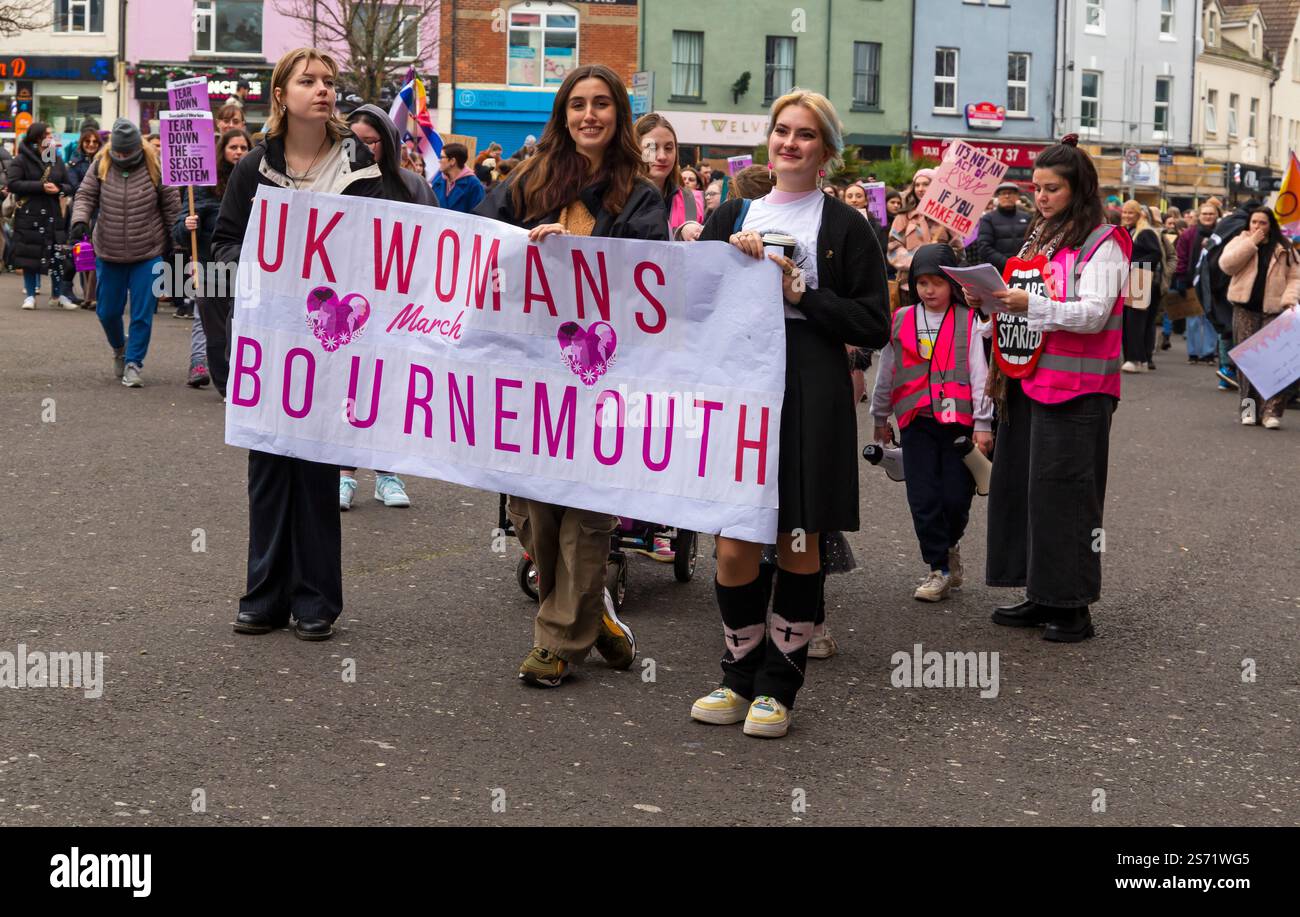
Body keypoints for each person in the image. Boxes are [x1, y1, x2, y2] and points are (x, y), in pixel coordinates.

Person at [689, 90, 889, 738]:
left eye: (805, 134)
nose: (790, 143)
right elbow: (689, 306)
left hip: (809, 381)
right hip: (741, 383)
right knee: (733, 542)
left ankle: (779, 687)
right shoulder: (730, 214)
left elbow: (873, 323)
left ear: (824, 150)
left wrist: (802, 291)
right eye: (782, 130)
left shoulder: (846, 227)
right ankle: (736, 675)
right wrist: (729, 268)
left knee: (798, 536)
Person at [475, 64, 667, 687]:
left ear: (619, 115)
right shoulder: (527, 179)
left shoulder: (638, 194)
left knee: (587, 510)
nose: (590, 114)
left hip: (603, 374)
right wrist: (525, 243)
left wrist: (579, 261)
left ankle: (558, 641)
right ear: (563, 113)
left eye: (602, 104)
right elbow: (477, 240)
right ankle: (595, 616)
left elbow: (648, 278)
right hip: (530, 372)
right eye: (578, 103)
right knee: (536, 511)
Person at [212, 47, 387, 642]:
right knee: (267, 468)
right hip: (271, 340)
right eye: (308, 80)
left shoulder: (360, 167)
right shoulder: (253, 168)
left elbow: (382, 251)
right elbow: (224, 246)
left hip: (331, 344)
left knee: (314, 468)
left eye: (329, 81)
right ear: (281, 93)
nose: (322, 90)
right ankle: (263, 596)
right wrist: (260, 264)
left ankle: (316, 600)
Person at [967, 134, 1131, 643]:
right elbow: (1026, 303)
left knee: (1067, 496)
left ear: (1078, 190)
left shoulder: (1105, 242)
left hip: (1078, 388)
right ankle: (1041, 593)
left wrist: (1027, 307)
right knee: (1025, 491)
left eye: (1052, 188)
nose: (1040, 197)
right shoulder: (1039, 238)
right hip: (1026, 381)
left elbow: (1094, 313)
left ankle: (1073, 605)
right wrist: (991, 310)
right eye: (1036, 187)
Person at [870, 243, 993, 601]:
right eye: (921, 282)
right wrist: (880, 418)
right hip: (915, 422)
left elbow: (978, 371)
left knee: (956, 498)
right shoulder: (901, 319)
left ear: (952, 283)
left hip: (959, 424)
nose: (929, 290)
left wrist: (983, 424)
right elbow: (887, 374)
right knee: (923, 497)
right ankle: (937, 567)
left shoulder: (969, 320)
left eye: (937, 282)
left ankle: (950, 543)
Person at [337, 103, 440, 509]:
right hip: (346, 308)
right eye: (352, 142)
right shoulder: (331, 184)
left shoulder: (412, 187)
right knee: (348, 389)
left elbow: (436, 242)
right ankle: (344, 473)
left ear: (387, 144)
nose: (360, 149)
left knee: (389, 388)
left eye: (369, 142)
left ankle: (387, 473)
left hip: (396, 307)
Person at [70, 120, 180, 384]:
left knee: (141, 313)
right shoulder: (102, 163)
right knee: (107, 311)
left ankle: (134, 363)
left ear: (136, 148)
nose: (120, 157)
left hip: (148, 251)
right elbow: (85, 195)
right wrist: (80, 220)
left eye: (125, 153)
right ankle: (119, 348)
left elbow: (172, 205)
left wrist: (178, 243)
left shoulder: (156, 165)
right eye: (117, 152)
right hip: (109, 250)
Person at [1218, 206, 1300, 429]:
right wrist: (1251, 242)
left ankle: (1271, 411)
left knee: (1275, 364)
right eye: (1254, 222)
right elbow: (1227, 265)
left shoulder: (1284, 247)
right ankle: (1248, 410)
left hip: (1275, 311)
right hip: (1245, 309)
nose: (1258, 227)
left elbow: (1295, 277)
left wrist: (1290, 298)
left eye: (1262, 223)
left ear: (1270, 225)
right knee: (1248, 363)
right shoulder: (1240, 241)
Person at [187, 128, 251, 399]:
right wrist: (186, 225)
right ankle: (225, 386)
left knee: (241, 326)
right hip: (211, 267)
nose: (238, 152)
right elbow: (181, 224)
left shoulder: (256, 181)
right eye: (233, 147)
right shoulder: (205, 186)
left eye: (243, 147)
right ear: (222, 150)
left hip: (247, 267)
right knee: (215, 332)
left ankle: (243, 381)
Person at [10, 122, 75, 310]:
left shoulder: (55, 158)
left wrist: (59, 188)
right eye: (47, 134)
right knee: (29, 256)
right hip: (30, 215)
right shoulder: (21, 159)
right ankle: (30, 295)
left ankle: (57, 295)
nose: (51, 136)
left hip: (53, 213)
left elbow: (70, 185)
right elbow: (13, 184)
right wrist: (40, 187)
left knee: (57, 255)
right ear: (37, 137)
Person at [1200, 198, 1260, 391]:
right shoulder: (1242, 228)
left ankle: (1227, 372)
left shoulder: (1227, 222)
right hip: (1230, 284)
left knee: (1225, 328)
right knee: (1237, 329)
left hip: (1213, 281)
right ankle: (1231, 371)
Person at [889, 167, 964, 290]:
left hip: (941, 284)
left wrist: (941, 256)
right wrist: (918, 261)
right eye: (917, 185)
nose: (920, 189)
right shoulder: (904, 216)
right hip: (908, 285)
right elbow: (893, 249)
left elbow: (959, 251)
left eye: (925, 184)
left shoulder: (948, 216)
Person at [635, 112, 706, 241]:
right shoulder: (616, 200)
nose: (662, 156)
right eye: (651, 148)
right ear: (635, 150)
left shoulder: (695, 201)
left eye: (668, 148)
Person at [1173, 201, 1221, 363]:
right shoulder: (1188, 234)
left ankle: (1208, 353)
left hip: (1214, 283)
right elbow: (1181, 257)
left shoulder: (1221, 234)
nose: (1208, 217)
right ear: (1199, 216)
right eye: (1205, 214)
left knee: (1210, 319)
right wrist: (1181, 277)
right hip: (1191, 281)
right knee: (1193, 320)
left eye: (1211, 214)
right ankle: (1193, 353)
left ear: (1217, 216)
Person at [1118, 200, 1162, 373]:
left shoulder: (1145, 233)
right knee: (1129, 320)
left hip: (1141, 279)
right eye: (1125, 212)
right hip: (1131, 279)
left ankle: (1136, 358)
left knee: (1135, 321)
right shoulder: (1128, 231)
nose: (1127, 216)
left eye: (1131, 213)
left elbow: (1156, 253)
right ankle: (1137, 358)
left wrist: (1133, 265)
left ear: (1139, 214)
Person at [63, 126, 103, 308]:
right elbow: (74, 186)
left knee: (96, 254)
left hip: (101, 212)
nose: (91, 145)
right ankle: (86, 294)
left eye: (95, 141)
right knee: (82, 252)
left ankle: (92, 295)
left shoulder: (104, 160)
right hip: (82, 212)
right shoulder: (74, 163)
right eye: (88, 141)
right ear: (82, 143)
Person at [972, 181, 1030, 274]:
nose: (1007, 196)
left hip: (1024, 271)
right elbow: (984, 248)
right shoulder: (988, 219)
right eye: (1003, 193)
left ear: (1017, 197)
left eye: (1010, 193)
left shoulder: (1027, 217)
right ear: (998, 197)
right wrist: (1008, 264)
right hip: (999, 273)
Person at [431, 141, 485, 213]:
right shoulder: (438, 182)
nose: (439, 161)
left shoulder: (474, 185)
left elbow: (479, 217)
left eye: (442, 157)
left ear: (452, 161)